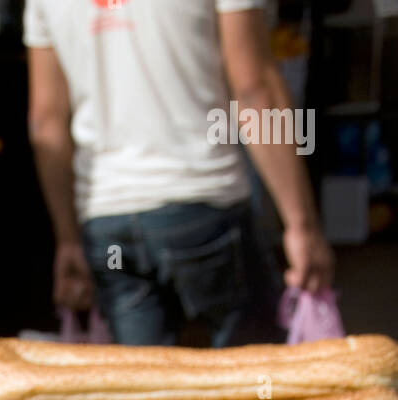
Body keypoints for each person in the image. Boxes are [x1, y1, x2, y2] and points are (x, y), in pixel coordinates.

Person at [25, 0, 334, 345]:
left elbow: (46, 123)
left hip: (107, 220)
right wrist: (301, 225)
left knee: (146, 390)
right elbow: (254, 90)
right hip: (203, 203)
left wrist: (67, 237)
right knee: (252, 383)